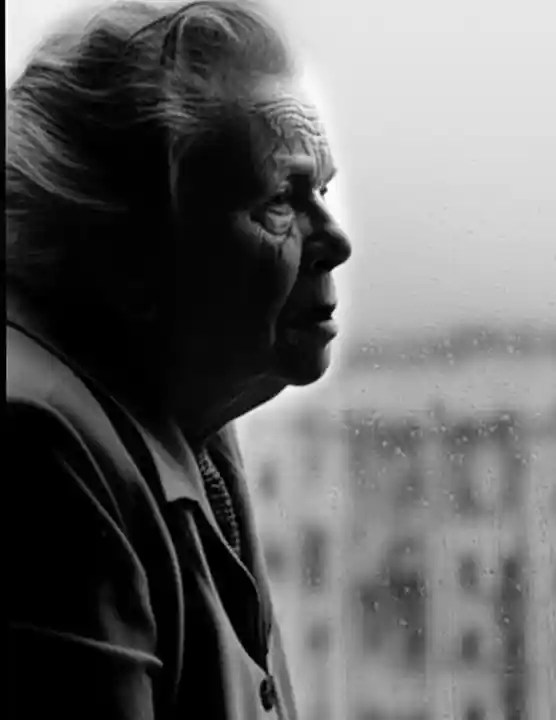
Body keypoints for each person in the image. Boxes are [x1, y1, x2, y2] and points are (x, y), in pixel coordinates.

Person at [5, 1, 352, 717]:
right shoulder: (36, 452)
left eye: (319, 190)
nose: (336, 240)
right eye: (279, 200)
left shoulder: (186, 403)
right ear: (126, 246)